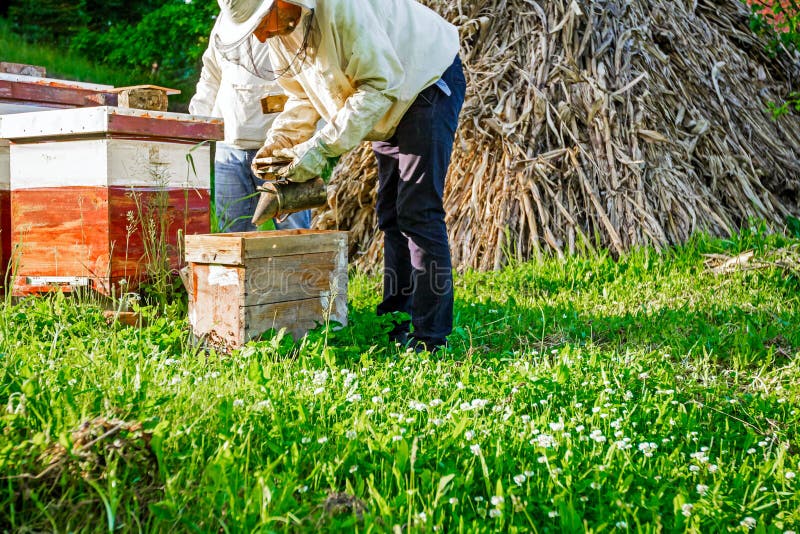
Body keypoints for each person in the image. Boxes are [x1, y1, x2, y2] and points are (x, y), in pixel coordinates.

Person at [214, 0, 466, 352]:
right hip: (389, 100)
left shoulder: (344, 9)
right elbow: (301, 97)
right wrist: (279, 144)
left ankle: (430, 337)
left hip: (426, 82)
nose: (258, 34)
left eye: (259, 21)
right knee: (391, 215)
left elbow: (378, 86)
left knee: (417, 211)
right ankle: (395, 321)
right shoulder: (280, 31)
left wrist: (317, 151)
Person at [189, 17, 311, 232]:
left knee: (294, 235)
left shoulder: (286, 13)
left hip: (281, 147)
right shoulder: (225, 20)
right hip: (229, 146)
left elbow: (310, 78)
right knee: (233, 235)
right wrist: (195, 123)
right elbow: (211, 74)